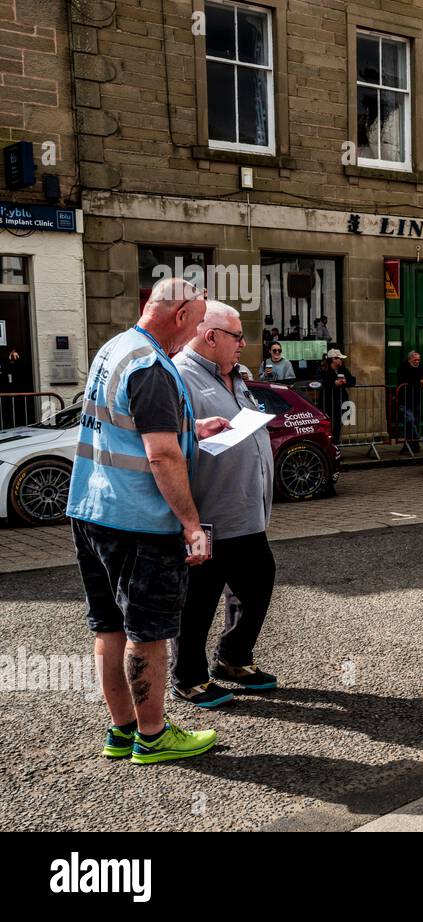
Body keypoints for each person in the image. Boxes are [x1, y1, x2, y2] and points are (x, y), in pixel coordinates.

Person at [66, 277, 229, 765]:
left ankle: (122, 731)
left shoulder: (116, 348)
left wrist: (191, 427)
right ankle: (154, 736)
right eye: (197, 320)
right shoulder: (153, 366)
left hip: (92, 510)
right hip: (139, 520)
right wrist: (192, 524)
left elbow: (131, 424)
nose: (197, 330)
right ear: (179, 315)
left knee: (109, 627)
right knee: (148, 632)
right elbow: (160, 457)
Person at [172, 302, 278, 707]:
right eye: (237, 336)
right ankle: (189, 677)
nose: (244, 344)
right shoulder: (181, 377)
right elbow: (168, 446)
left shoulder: (234, 377)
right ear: (210, 335)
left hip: (246, 512)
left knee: (256, 583)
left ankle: (232, 659)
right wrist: (187, 520)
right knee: (197, 599)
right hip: (207, 515)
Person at [317, 348, 355, 443]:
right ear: (334, 359)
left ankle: (335, 448)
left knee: (337, 426)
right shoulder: (323, 369)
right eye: (340, 358)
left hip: (340, 402)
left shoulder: (342, 369)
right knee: (328, 427)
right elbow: (318, 382)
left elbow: (353, 380)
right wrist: (334, 383)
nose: (341, 360)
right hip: (328, 403)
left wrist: (346, 382)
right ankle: (328, 448)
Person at [397, 349, 423, 442]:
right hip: (404, 400)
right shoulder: (404, 367)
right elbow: (409, 379)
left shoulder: (420, 367)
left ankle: (412, 444)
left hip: (415, 400)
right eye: (415, 360)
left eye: (418, 360)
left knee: (415, 422)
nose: (417, 362)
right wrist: (422, 381)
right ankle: (417, 439)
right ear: (409, 359)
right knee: (410, 420)